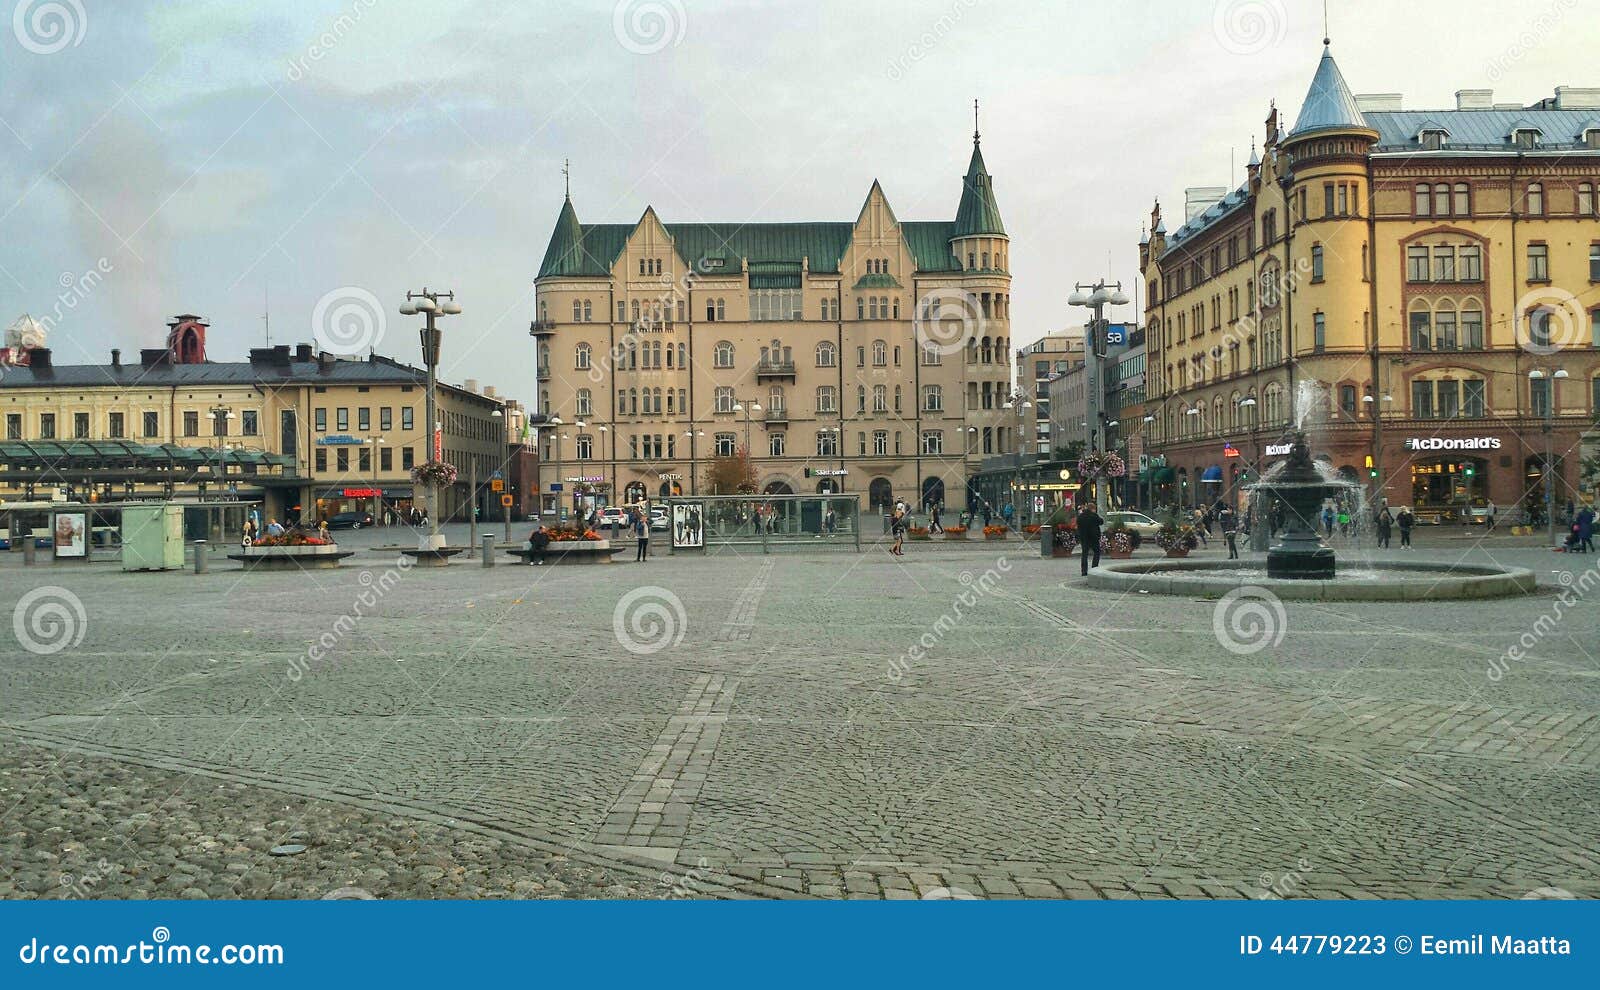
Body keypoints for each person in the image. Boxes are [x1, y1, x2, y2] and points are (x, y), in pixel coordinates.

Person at [1076, 503, 1103, 576]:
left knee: (1084, 554)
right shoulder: (1094, 515)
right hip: (1093, 538)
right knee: (1097, 552)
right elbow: (1101, 521)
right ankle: (1094, 569)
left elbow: (1078, 525)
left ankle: (1084, 571)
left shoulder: (1081, 516)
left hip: (1084, 538)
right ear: (1093, 509)